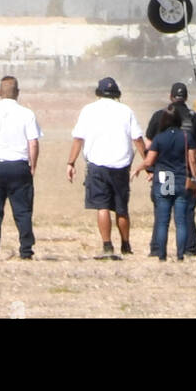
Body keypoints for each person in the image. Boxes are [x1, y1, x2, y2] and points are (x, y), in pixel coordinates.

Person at [66, 77, 146, 259]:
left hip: (97, 166)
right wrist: (148, 163)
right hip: (121, 165)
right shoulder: (126, 111)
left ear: (98, 93)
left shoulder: (88, 110)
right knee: (121, 208)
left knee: (102, 207)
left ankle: (107, 245)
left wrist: (70, 163)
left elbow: (78, 139)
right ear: (117, 93)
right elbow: (138, 139)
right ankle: (126, 244)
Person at [0, 76, 40, 261]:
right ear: (18, 93)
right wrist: (32, 166)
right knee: (23, 211)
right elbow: (33, 143)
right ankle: (26, 250)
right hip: (19, 166)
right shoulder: (27, 114)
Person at [144, 82, 196, 256]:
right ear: (186, 97)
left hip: (163, 172)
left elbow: (148, 144)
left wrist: (151, 168)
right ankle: (189, 249)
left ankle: (157, 250)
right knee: (186, 213)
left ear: (170, 96)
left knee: (161, 214)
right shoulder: (194, 117)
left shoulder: (159, 115)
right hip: (184, 172)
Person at [133, 102, 196, 261]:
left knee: (162, 222)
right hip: (181, 180)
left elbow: (149, 161)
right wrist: (195, 180)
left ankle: (161, 255)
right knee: (181, 222)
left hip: (164, 181)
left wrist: (137, 169)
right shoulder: (186, 137)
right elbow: (192, 160)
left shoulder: (159, 138)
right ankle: (180, 255)